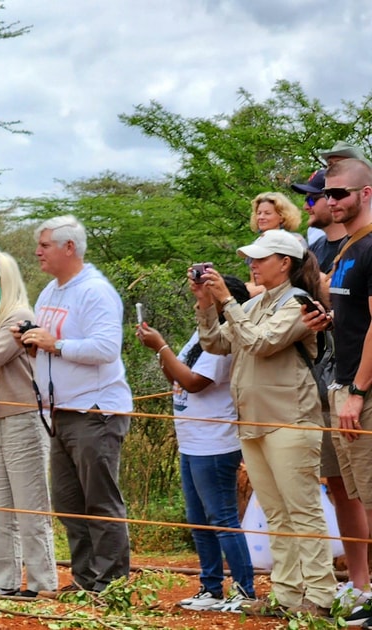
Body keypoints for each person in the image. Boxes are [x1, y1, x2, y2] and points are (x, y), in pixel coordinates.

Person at [196, 229, 335, 617]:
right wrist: (206, 304)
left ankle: (321, 596)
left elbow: (261, 343)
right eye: (251, 259)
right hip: (253, 421)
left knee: (302, 511)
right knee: (276, 513)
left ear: (285, 263)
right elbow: (215, 343)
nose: (252, 265)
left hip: (290, 420)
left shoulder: (298, 303)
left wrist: (227, 300)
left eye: (260, 258)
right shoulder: (256, 304)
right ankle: (287, 595)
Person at [13, 215, 132, 594]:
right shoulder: (50, 292)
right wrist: (32, 342)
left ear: (69, 248)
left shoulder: (95, 291)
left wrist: (56, 344)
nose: (37, 252)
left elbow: (107, 348)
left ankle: (110, 586)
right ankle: (85, 580)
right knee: (68, 502)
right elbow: (52, 347)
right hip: (61, 411)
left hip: (95, 411)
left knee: (100, 500)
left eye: (44, 245)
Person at [136, 275, 256, 613]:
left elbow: (193, 382)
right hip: (191, 439)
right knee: (199, 519)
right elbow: (175, 376)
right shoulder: (201, 332)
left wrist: (161, 346)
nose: (198, 298)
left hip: (214, 441)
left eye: (205, 293)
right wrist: (161, 352)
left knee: (222, 518)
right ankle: (211, 587)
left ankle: (244, 589)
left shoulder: (225, 337)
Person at [294, 165, 371, 610]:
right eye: (326, 194)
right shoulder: (338, 251)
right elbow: (351, 318)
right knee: (350, 489)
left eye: (336, 193)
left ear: (364, 193)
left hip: (359, 387)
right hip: (336, 381)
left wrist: (358, 390)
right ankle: (361, 586)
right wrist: (326, 320)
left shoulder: (368, 247)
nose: (325, 201)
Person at [0, 250, 57, 600]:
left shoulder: (19, 316)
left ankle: (43, 582)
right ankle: (3, 580)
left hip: (24, 416)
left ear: (4, 279)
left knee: (30, 505)